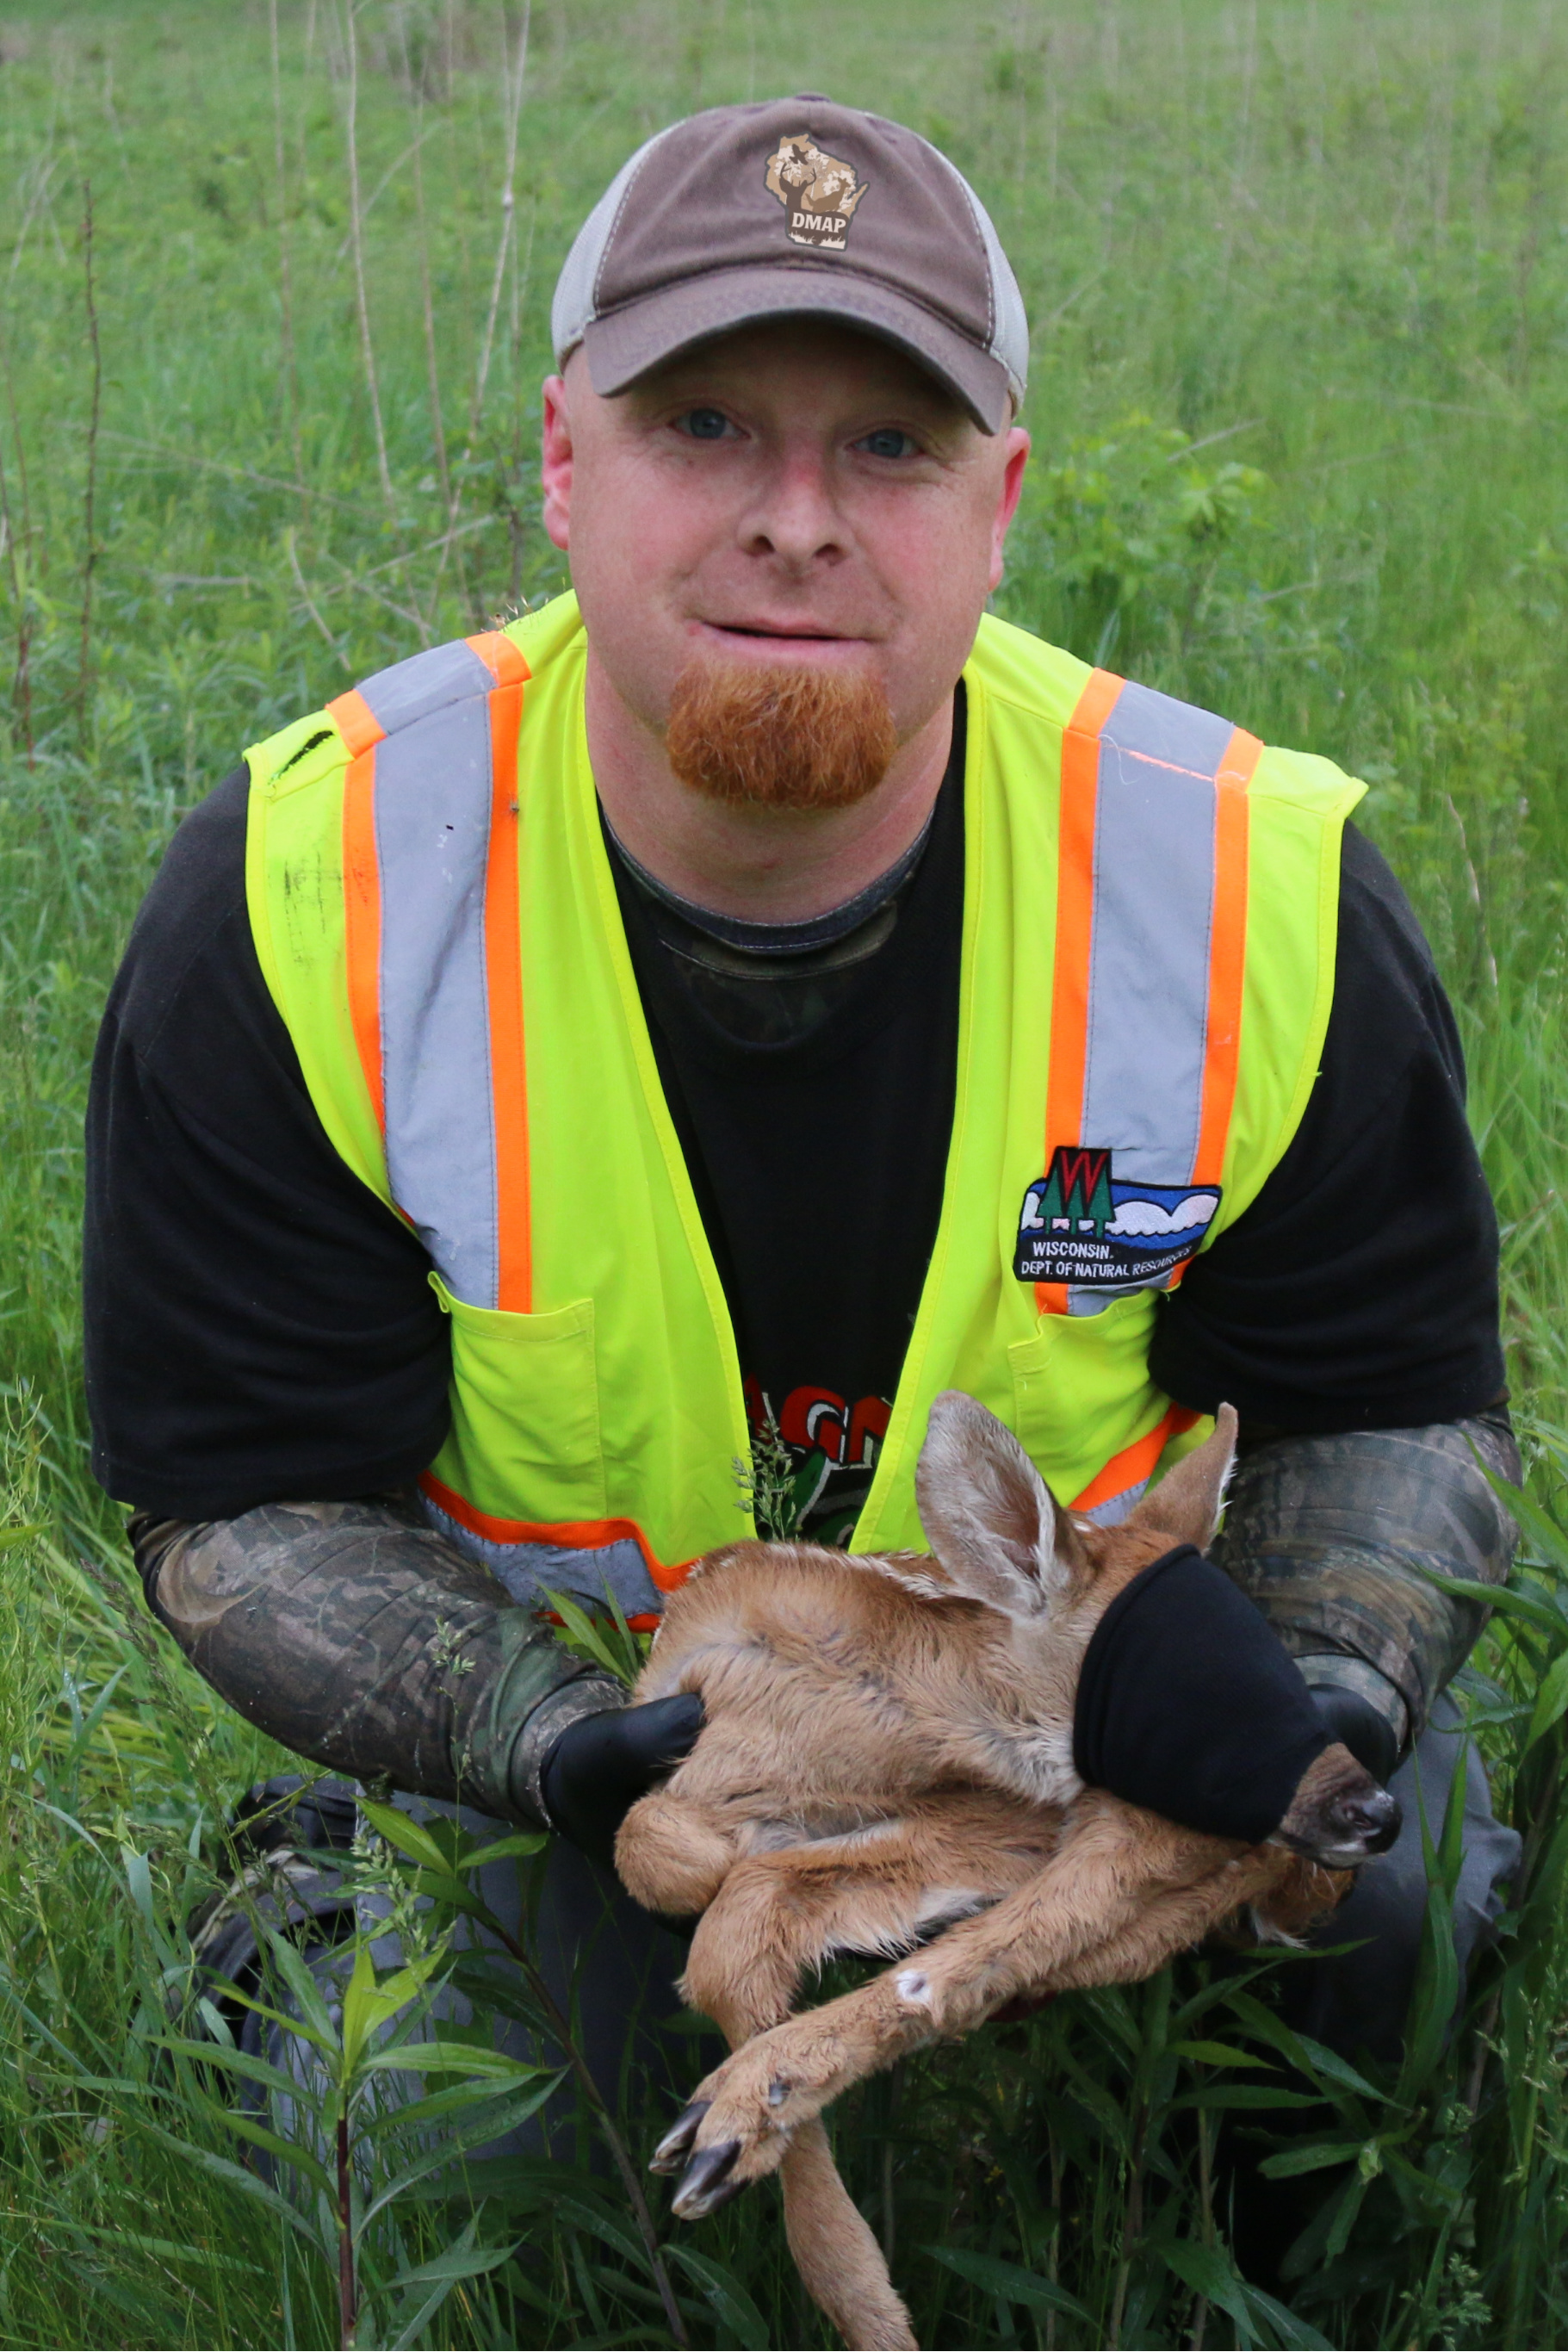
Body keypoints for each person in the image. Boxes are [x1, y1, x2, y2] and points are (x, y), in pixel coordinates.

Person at [86, 95, 1518, 2110]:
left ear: (1000, 497)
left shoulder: (1242, 887)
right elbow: (241, 1502)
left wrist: (1296, 1699)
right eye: (704, 428)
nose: (795, 516)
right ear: (561, 462)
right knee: (416, 2105)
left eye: (887, 443)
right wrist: (533, 1740)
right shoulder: (301, 889)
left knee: (1390, 1909)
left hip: (1083, 1720)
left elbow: (1390, 1406)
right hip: (624, 1746)